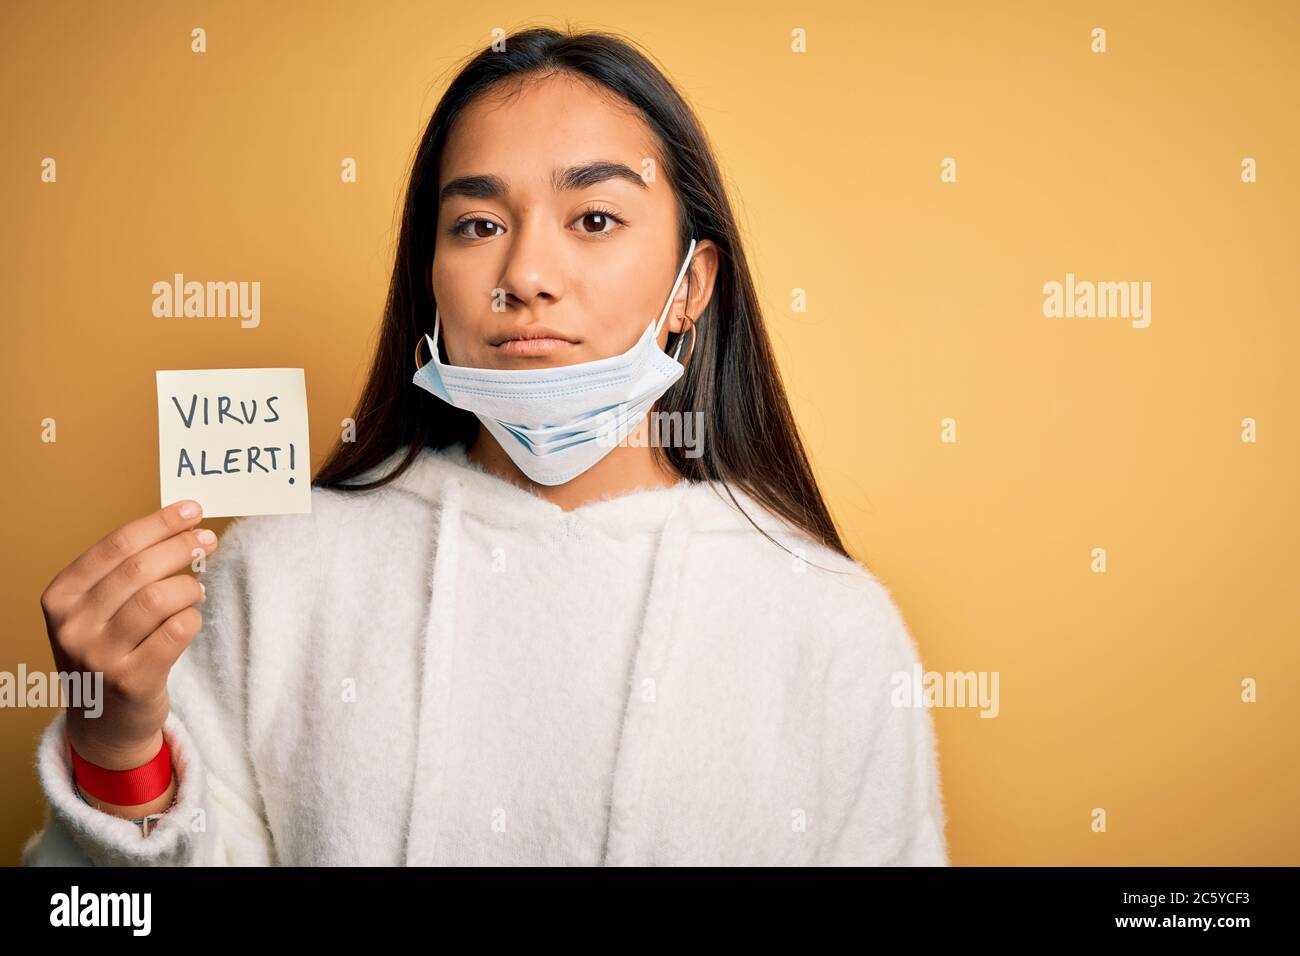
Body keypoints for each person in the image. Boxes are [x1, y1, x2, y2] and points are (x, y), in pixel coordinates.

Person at [24, 27, 949, 866]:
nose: (525, 276)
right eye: (477, 225)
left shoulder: (831, 624)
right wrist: (116, 751)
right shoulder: (277, 570)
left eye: (594, 220)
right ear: (429, 276)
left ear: (690, 287)